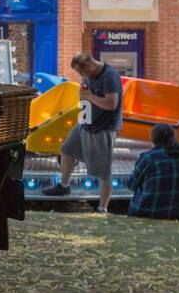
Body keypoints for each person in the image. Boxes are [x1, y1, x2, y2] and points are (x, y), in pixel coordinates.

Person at [42, 52, 123, 212]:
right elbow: (84, 96)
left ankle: (102, 208)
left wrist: (89, 96)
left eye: (81, 72)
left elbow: (111, 104)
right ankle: (64, 185)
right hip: (85, 123)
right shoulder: (89, 76)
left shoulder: (110, 77)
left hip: (103, 128)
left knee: (103, 171)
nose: (81, 75)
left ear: (88, 65)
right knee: (67, 150)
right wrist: (83, 110)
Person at [128, 124, 179, 220]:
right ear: (173, 137)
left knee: (140, 186)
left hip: (152, 212)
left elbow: (132, 185)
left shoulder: (148, 157)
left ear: (153, 139)